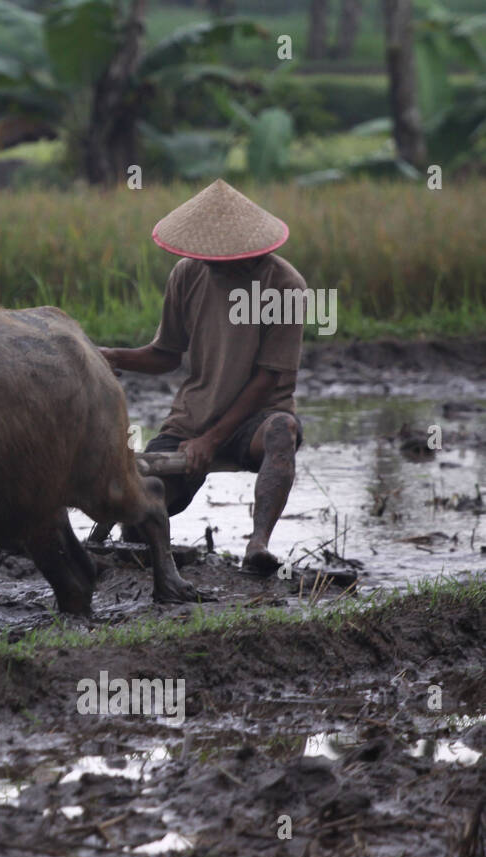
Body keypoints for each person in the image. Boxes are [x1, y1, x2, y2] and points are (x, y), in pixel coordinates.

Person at [99, 179, 306, 575]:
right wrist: (113, 356)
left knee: (283, 430)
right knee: (148, 499)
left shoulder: (284, 286)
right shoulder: (187, 275)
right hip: (192, 419)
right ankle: (135, 548)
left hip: (256, 419)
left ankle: (258, 544)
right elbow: (165, 355)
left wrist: (211, 440)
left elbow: (266, 378)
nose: (214, 260)